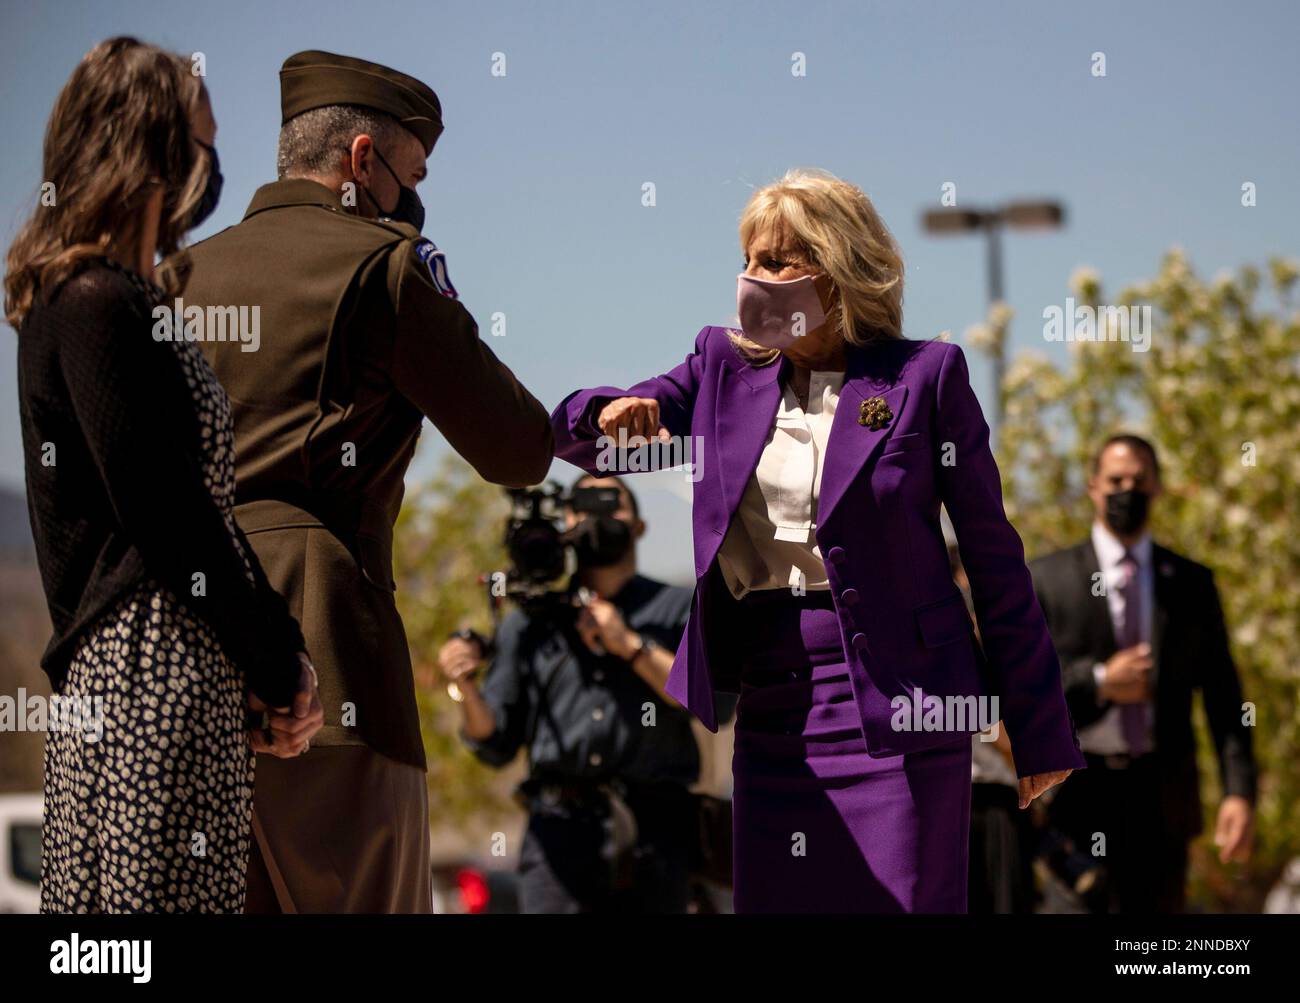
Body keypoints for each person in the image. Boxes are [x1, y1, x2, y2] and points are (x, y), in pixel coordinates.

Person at [551, 168, 1085, 913]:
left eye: (778, 262)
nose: (755, 280)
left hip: (907, 705)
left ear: (837, 272)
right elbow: (589, 439)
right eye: (749, 260)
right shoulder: (719, 369)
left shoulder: (925, 377)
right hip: (778, 707)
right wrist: (609, 412)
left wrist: (1038, 727)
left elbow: (995, 561)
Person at [180, 50, 554, 913]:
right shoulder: (383, 266)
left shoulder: (176, 278)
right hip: (326, 645)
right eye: (409, 174)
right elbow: (515, 450)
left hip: (183, 648)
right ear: (359, 161)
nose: (412, 195)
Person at [5, 37, 322, 913]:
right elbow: (169, 512)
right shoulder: (93, 302)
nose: (212, 164)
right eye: (203, 138)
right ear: (152, 148)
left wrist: (278, 655)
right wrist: (276, 660)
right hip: (150, 671)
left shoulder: (124, 301)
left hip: (174, 664)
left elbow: (199, 508)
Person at [438, 475, 701, 913]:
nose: (596, 515)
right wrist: (464, 686)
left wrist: (629, 645)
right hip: (557, 837)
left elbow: (709, 703)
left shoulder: (678, 606)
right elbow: (495, 742)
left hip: (655, 833)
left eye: (609, 503)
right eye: (583, 505)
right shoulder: (530, 620)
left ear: (638, 526)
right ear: (565, 525)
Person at [1029, 434, 1256, 912]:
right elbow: (1025, 691)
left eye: (1138, 480)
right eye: (1115, 480)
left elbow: (1224, 697)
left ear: (1157, 488)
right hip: (1077, 803)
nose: (1125, 490)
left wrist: (1238, 792)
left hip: (1162, 804)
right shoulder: (1048, 579)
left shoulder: (1192, 584)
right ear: (1093, 487)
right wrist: (1099, 681)